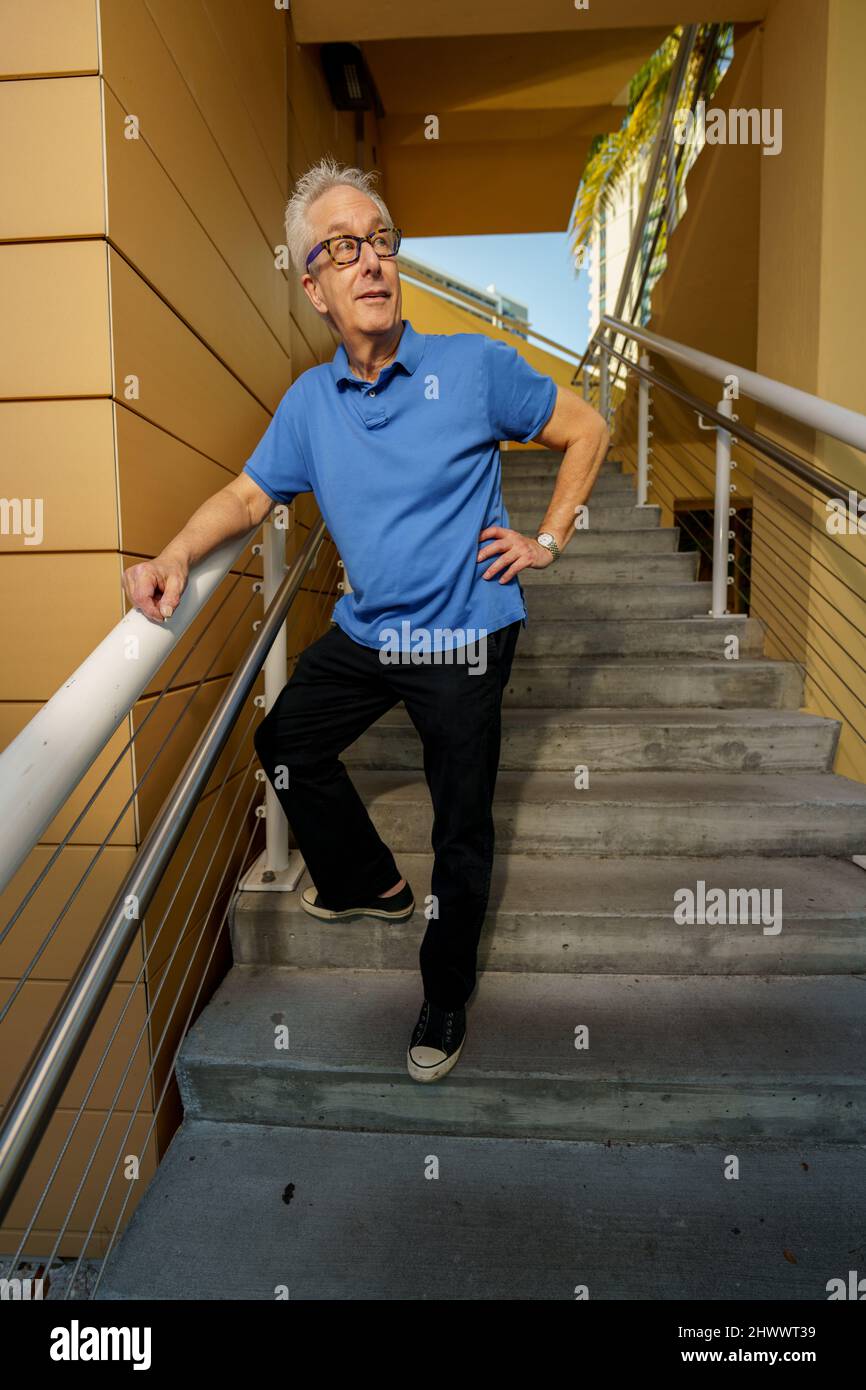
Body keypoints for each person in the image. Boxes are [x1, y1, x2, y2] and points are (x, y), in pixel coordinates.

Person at [122, 157, 608, 1084]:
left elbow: (586, 429)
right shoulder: (310, 404)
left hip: (466, 635)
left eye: (381, 242)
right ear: (314, 287)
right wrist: (178, 554)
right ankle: (370, 885)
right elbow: (246, 492)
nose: (372, 263)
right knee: (286, 741)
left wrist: (547, 539)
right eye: (344, 249)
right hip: (371, 632)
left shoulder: (471, 367)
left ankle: (445, 992)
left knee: (461, 824)